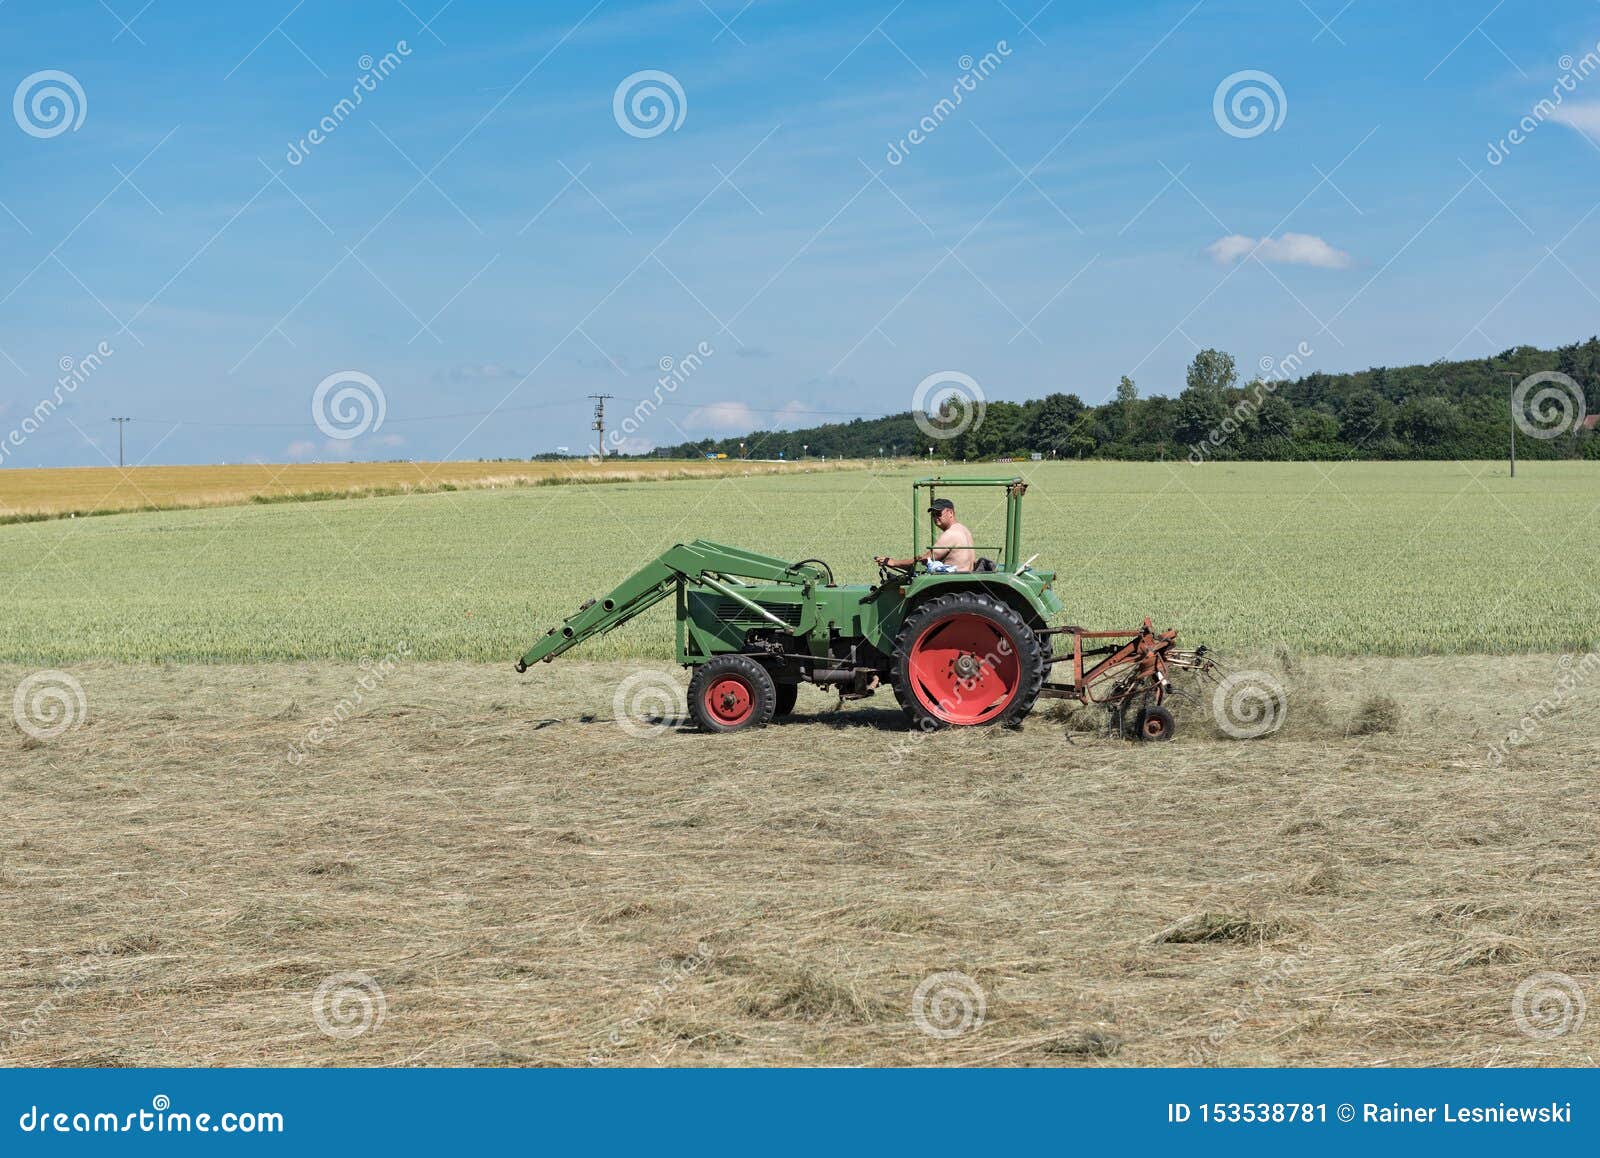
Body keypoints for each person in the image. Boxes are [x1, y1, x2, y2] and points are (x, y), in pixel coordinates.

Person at [875, 498, 975, 573]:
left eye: (938, 513)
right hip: (965, 575)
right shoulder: (964, 530)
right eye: (933, 514)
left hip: (953, 579)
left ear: (951, 513)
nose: (935, 517)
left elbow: (924, 561)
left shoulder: (951, 534)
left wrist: (893, 562)